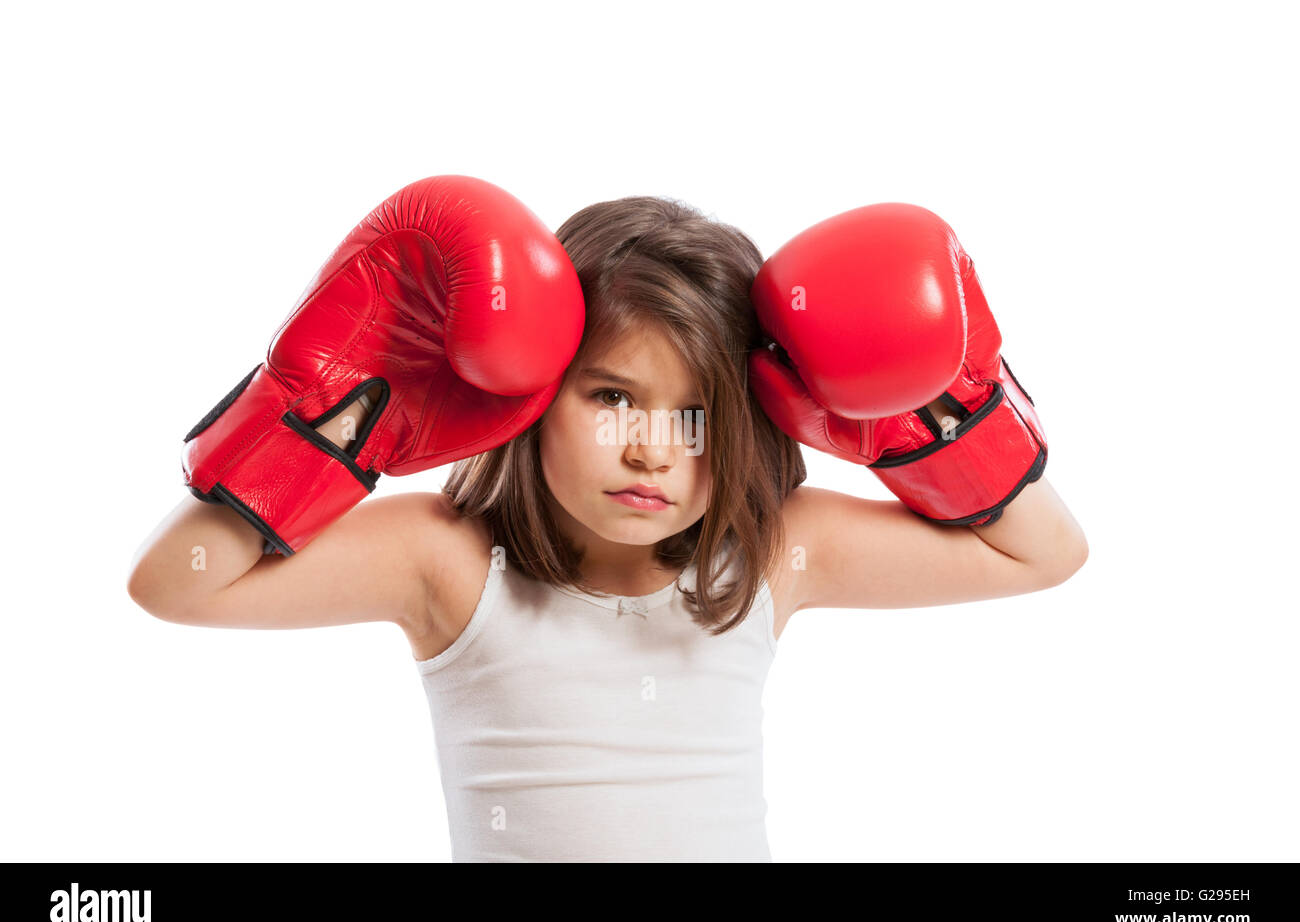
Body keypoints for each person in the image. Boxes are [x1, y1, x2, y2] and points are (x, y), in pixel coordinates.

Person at [128, 177, 1089, 863]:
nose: (651, 449)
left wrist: (932, 426)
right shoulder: (451, 562)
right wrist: (334, 430)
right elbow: (174, 582)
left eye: (693, 414)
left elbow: (1044, 553)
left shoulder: (771, 555)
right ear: (535, 392)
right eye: (611, 397)